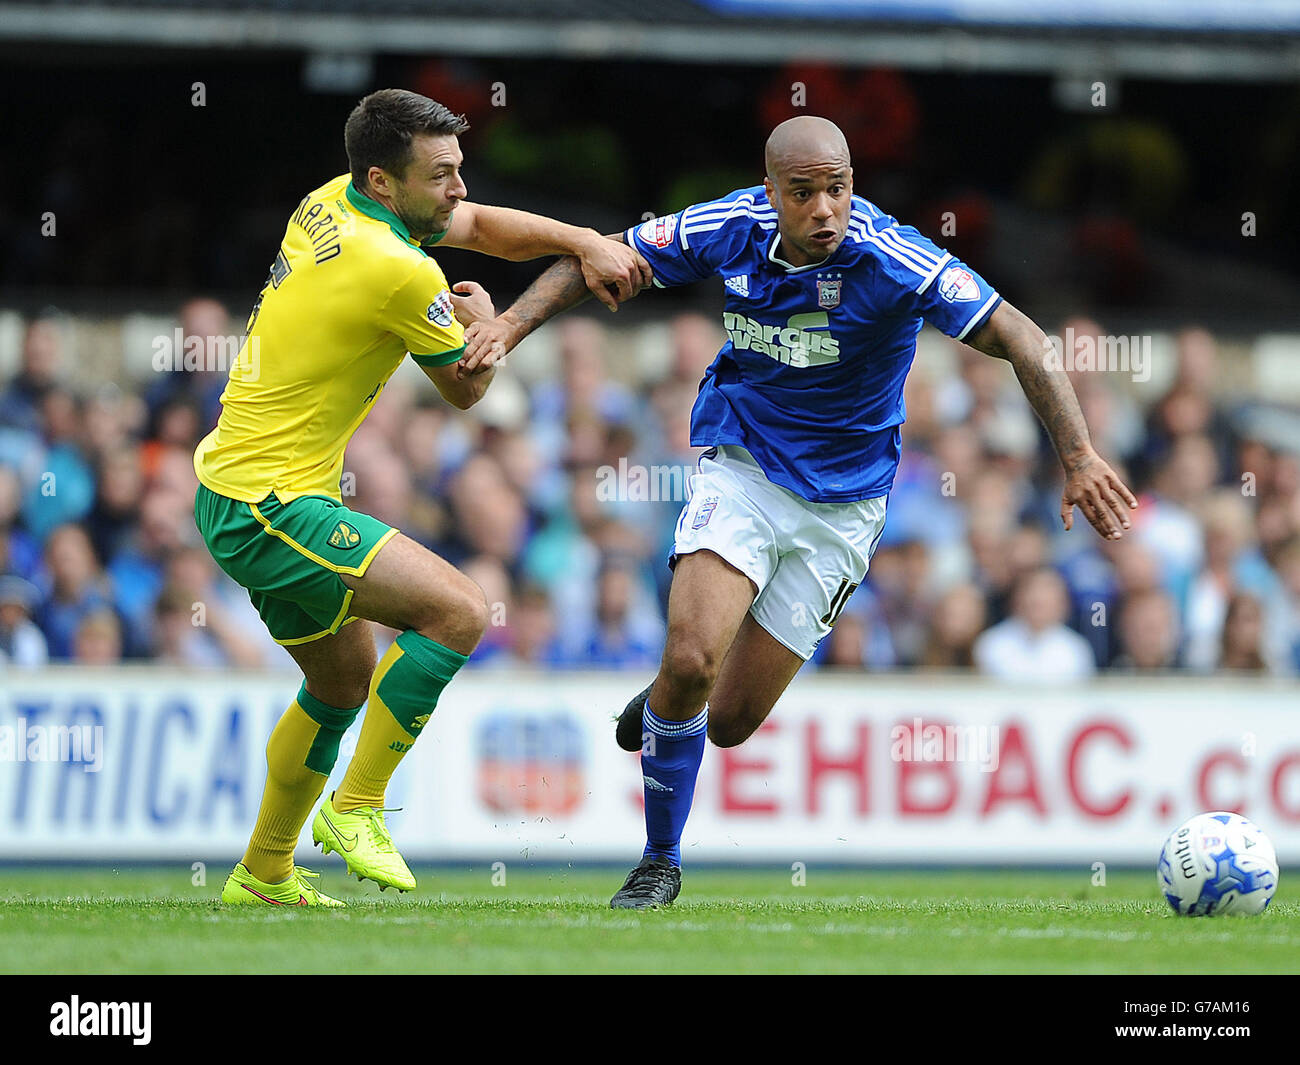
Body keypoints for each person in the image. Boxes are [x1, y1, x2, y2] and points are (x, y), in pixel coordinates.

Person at [463, 115, 1136, 908]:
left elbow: (1020, 333)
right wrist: (507, 326)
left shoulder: (894, 257)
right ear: (772, 190)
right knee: (689, 659)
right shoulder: (729, 225)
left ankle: (657, 712)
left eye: (840, 189)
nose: (826, 209)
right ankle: (658, 859)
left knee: (729, 720)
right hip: (742, 466)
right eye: (806, 193)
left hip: (843, 508)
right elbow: (601, 255)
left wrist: (1080, 454)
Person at [193, 88, 648, 908]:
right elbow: (467, 392)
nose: (459, 189)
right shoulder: (398, 270)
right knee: (463, 611)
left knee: (341, 684)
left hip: (236, 489)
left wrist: (583, 240)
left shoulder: (331, 201)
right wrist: (488, 317)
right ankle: (357, 806)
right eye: (442, 174)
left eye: (459, 169)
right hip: (269, 504)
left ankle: (260, 873)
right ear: (384, 178)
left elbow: (472, 227)